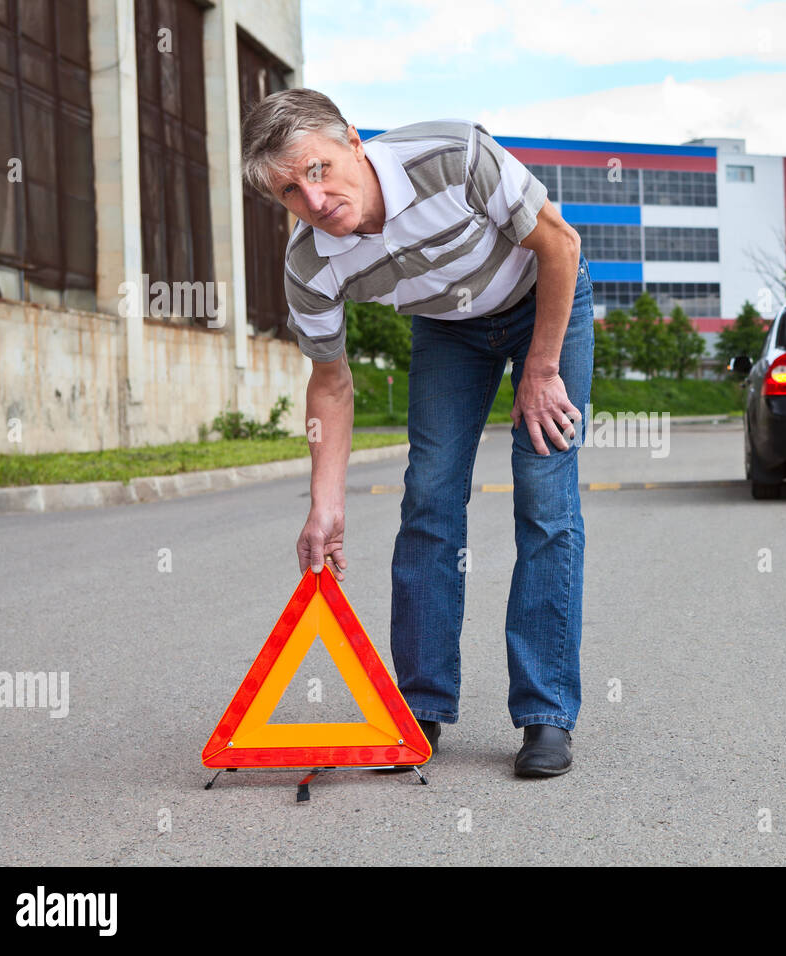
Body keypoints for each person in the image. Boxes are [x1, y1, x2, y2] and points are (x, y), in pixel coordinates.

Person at [240, 88, 592, 777]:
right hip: (448, 328)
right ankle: (420, 709)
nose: (312, 200)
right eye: (289, 191)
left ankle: (546, 716)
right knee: (429, 498)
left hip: (544, 295)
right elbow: (330, 384)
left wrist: (541, 369)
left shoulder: (452, 156)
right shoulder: (311, 265)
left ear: (351, 139)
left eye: (315, 170)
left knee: (545, 498)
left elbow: (560, 242)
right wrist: (326, 502)